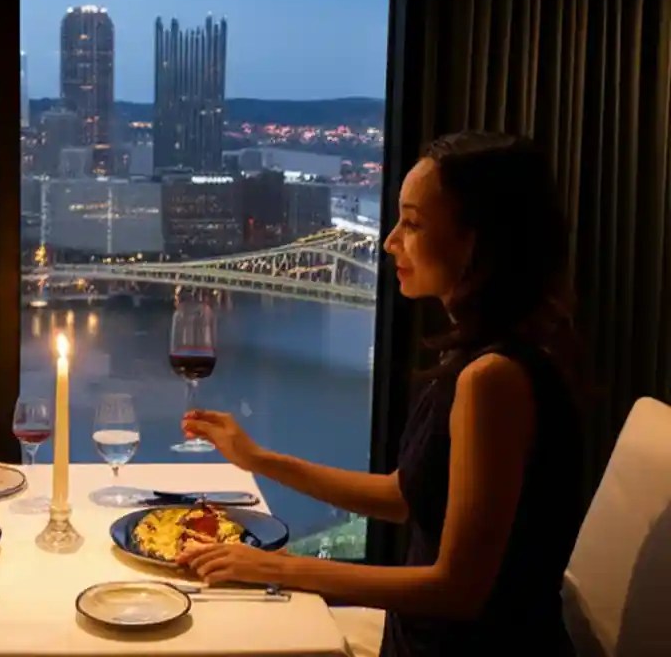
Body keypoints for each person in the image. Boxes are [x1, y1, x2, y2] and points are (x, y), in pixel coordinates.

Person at [179, 131, 585, 656]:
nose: (390, 241)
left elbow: (458, 590)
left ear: (477, 241)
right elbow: (401, 496)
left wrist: (277, 568)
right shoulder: (486, 356)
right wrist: (259, 459)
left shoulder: (493, 379)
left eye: (412, 223)